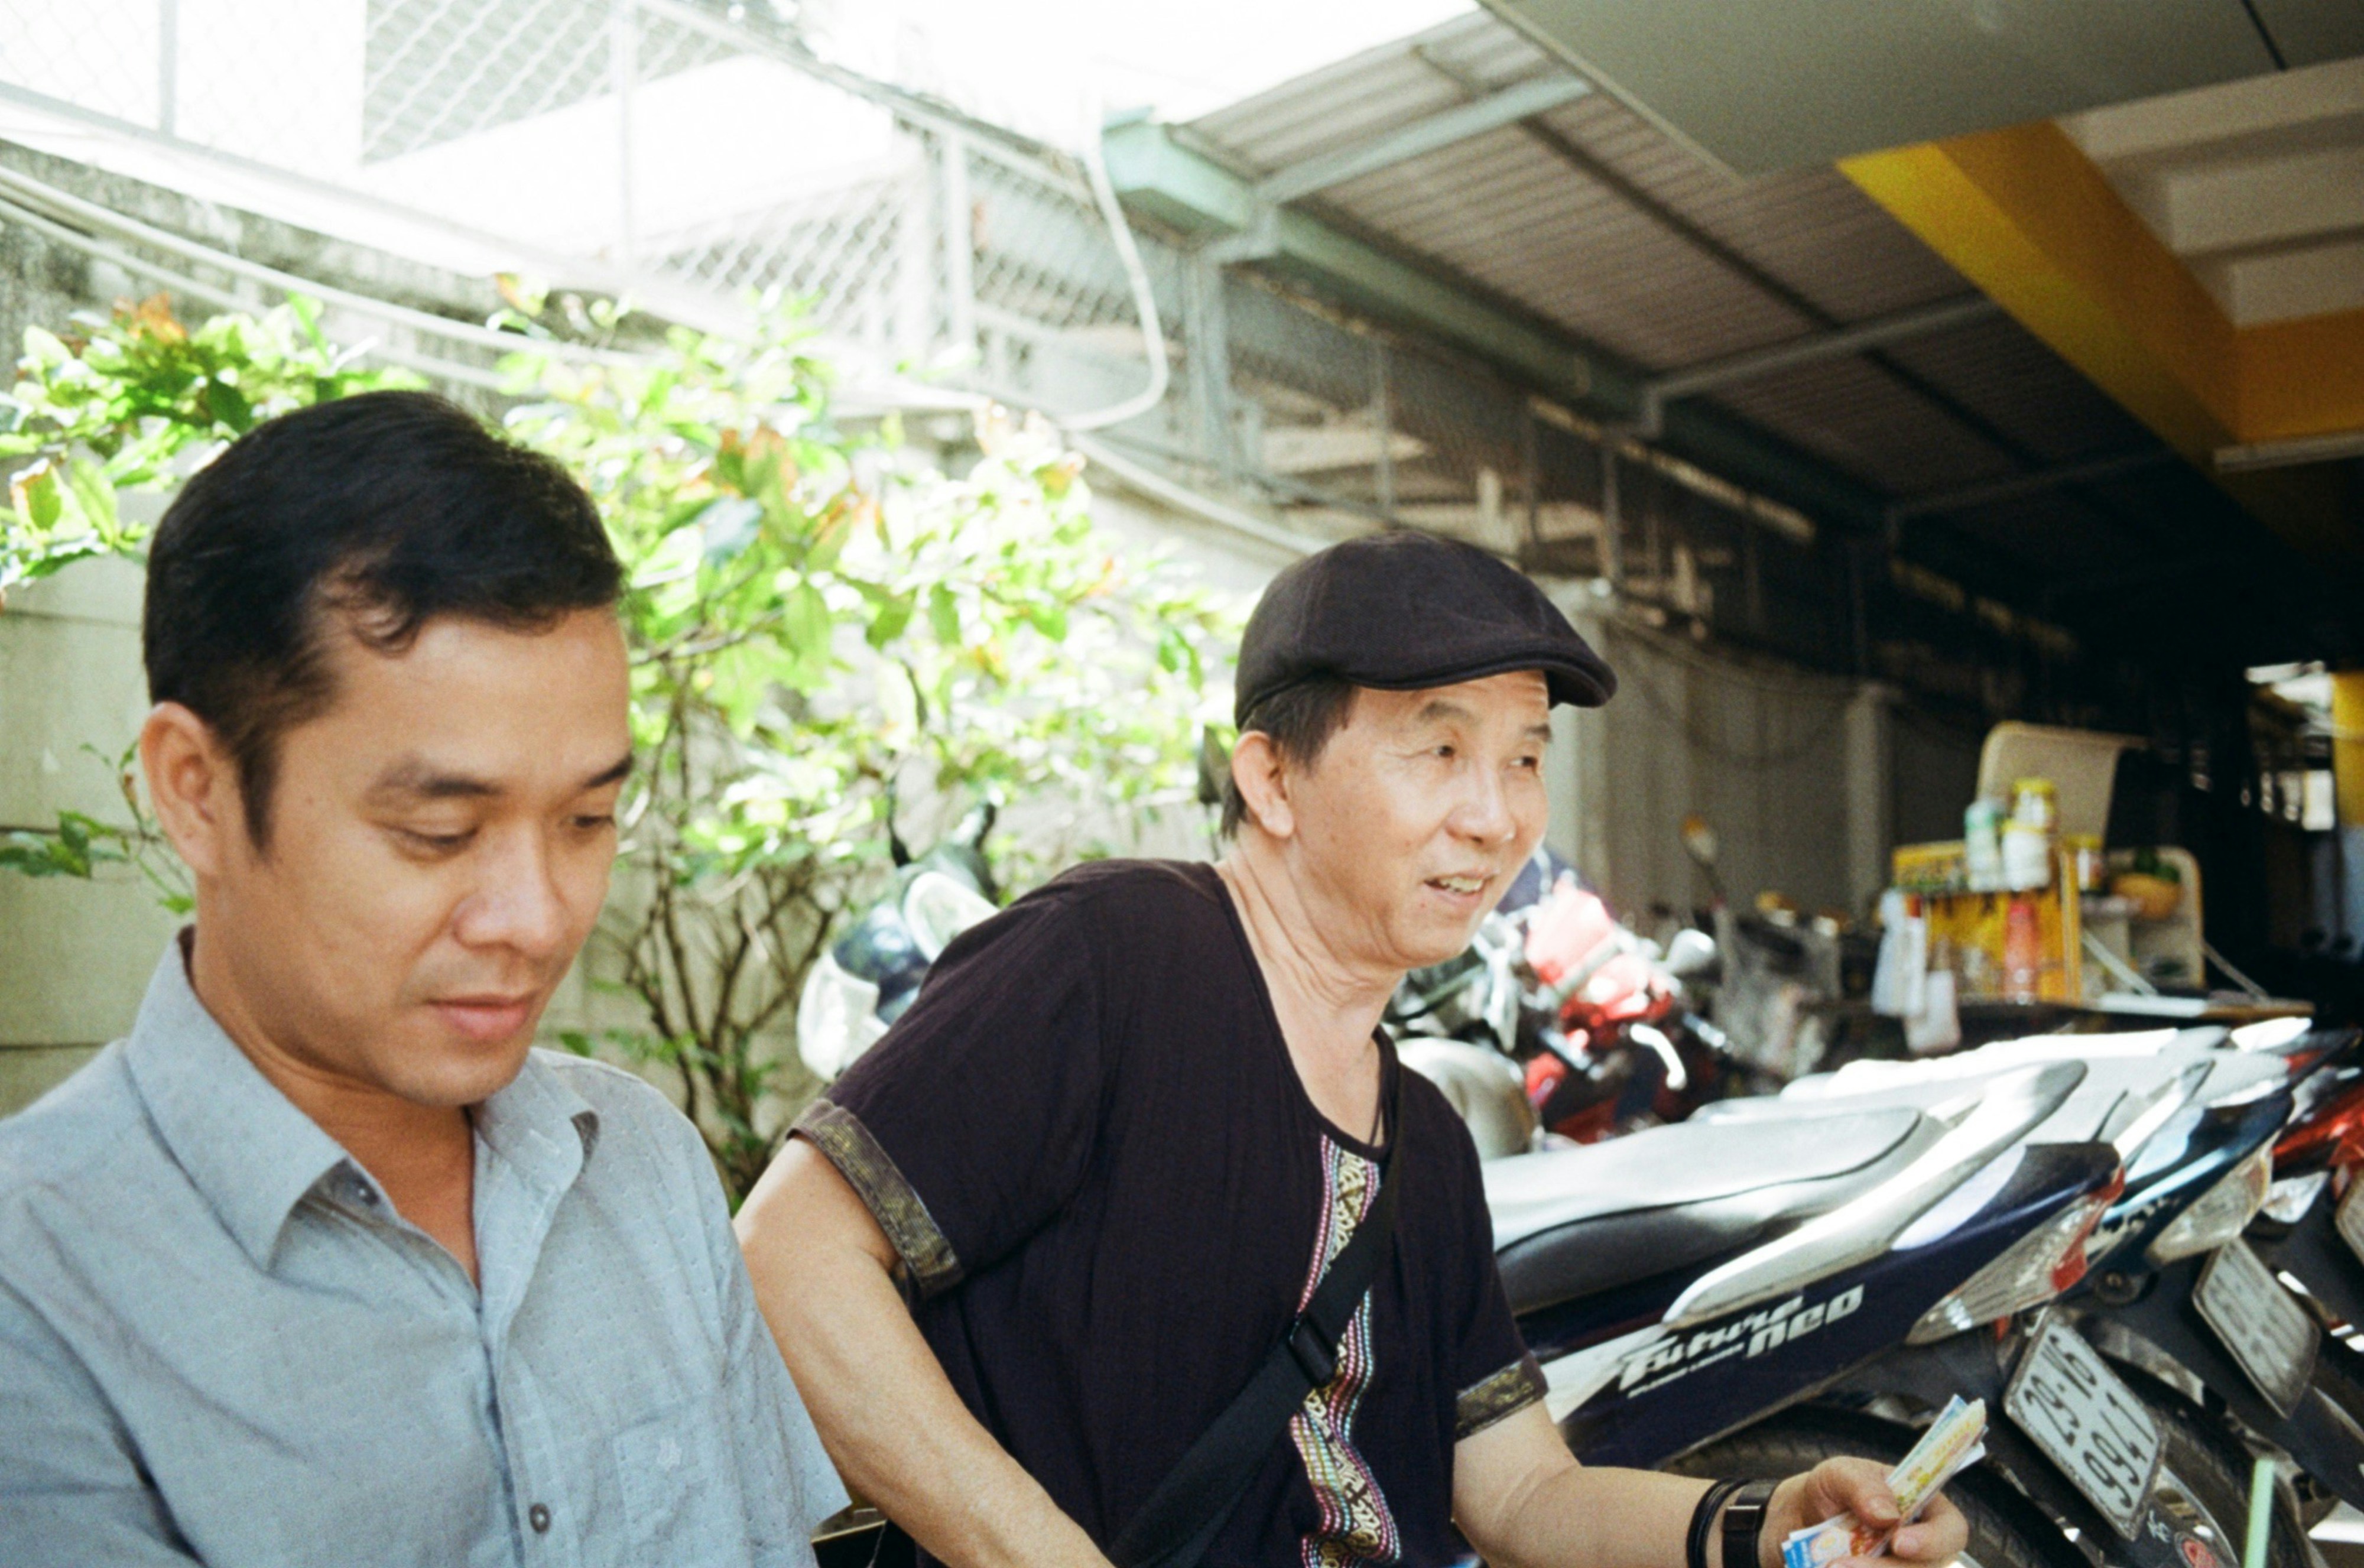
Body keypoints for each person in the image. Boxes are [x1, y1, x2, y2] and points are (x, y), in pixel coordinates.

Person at [735, 531, 1972, 1568]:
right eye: (1436, 750)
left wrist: (1760, 1526)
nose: (1493, 819)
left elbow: (1521, 1496)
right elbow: (788, 1253)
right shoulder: (1118, 955)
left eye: (1522, 759)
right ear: (1271, 779)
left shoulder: (1420, 1134)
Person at [0, 392, 845, 1566]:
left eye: (589, 816)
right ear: (194, 787)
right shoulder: (35, 1286)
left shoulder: (637, 1159)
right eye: (437, 832)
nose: (539, 919)